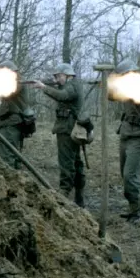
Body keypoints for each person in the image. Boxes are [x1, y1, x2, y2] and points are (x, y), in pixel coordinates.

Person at [30, 63, 86, 206]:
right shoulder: (71, 85)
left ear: (68, 75)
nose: (57, 78)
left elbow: (63, 96)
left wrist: (44, 87)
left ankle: (64, 193)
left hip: (68, 129)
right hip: (70, 129)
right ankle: (79, 197)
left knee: (67, 162)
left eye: (59, 76)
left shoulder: (71, 86)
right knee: (75, 162)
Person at [113, 59, 140, 224]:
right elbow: (110, 96)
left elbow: (136, 95)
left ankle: (136, 211)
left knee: (131, 175)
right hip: (126, 134)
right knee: (125, 174)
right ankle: (136, 208)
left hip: (139, 136)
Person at [0, 60, 31, 169]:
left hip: (12, 122)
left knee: (7, 154)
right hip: (9, 122)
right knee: (12, 153)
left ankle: (10, 180)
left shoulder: (17, 83)